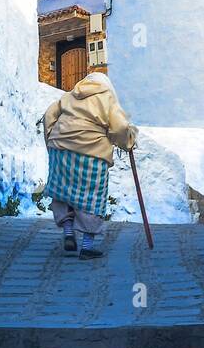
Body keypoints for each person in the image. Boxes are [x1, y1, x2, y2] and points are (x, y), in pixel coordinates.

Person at [40, 71, 138, 260]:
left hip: (60, 149)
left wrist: (52, 139)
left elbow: (48, 116)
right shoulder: (107, 99)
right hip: (91, 153)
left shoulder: (69, 96)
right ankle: (86, 246)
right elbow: (120, 128)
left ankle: (68, 232)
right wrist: (128, 142)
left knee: (63, 193)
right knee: (91, 198)